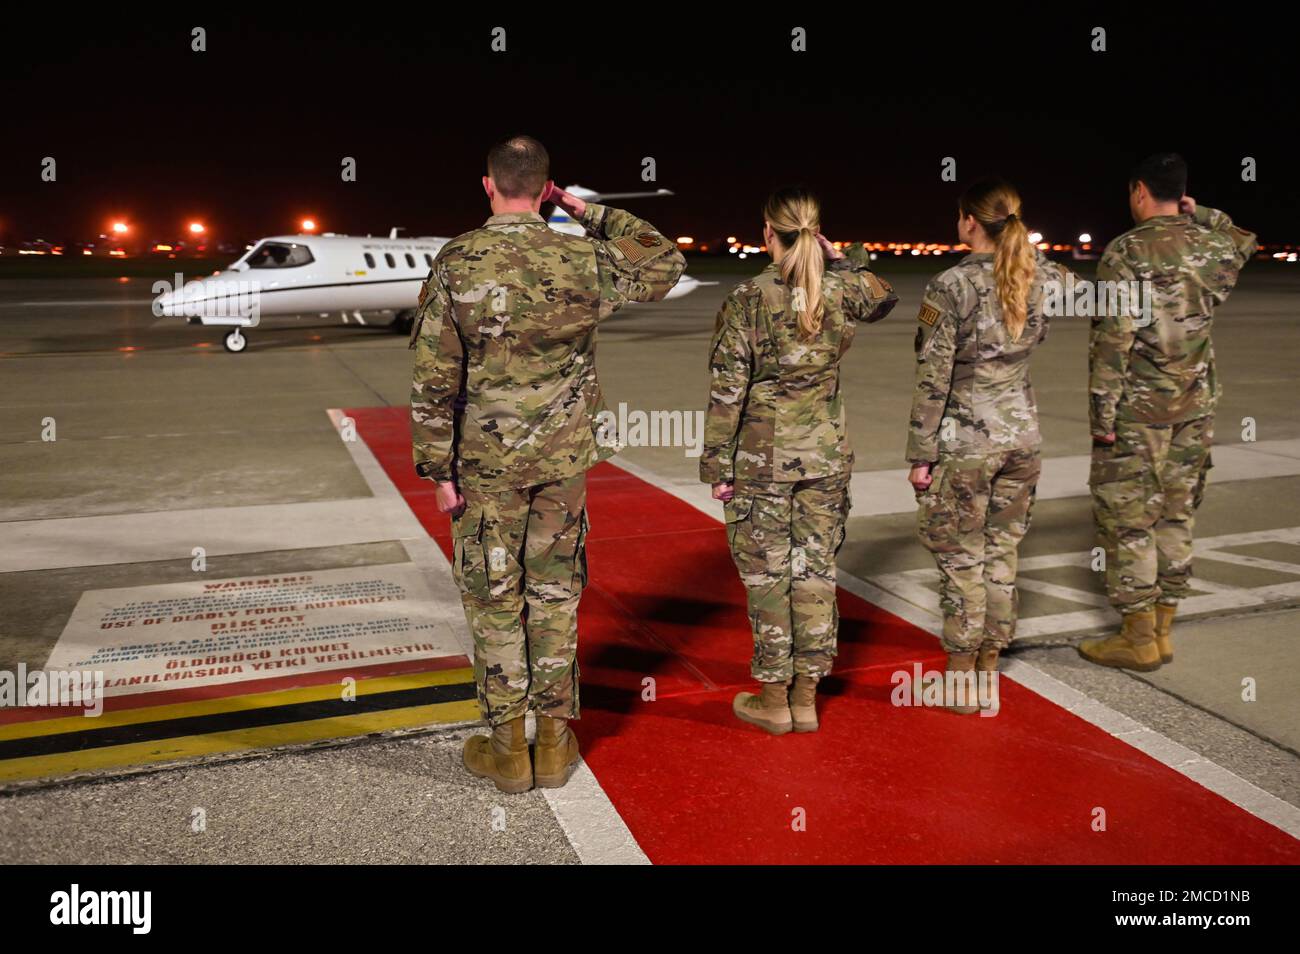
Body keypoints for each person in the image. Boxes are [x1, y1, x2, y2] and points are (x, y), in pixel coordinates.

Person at [410, 135, 685, 793]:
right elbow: (663, 261)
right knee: (556, 593)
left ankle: (510, 752)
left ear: (488, 185)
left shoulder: (458, 259)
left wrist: (437, 469)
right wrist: (584, 210)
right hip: (562, 460)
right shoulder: (580, 255)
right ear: (544, 187)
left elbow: (433, 374)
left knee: (495, 597)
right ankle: (556, 745)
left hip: (484, 465)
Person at [701, 185, 897, 735]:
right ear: (817, 233)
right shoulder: (839, 290)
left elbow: (726, 393)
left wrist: (717, 467)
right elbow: (882, 298)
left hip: (761, 461)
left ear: (768, 233)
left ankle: (773, 699)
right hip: (825, 458)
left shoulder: (748, 299)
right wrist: (842, 259)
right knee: (815, 572)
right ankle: (807, 696)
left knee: (769, 577)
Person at [1079, 153, 1256, 671]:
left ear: (1138, 191)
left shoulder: (1126, 251)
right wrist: (1198, 214)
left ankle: (1137, 636)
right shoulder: (1212, 244)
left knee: (1128, 517)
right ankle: (1163, 629)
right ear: (1180, 192)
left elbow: (1113, 339)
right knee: (1177, 511)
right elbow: (1244, 238)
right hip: (1195, 406)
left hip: (1139, 408)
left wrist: (1102, 416)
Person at [907, 177, 1069, 713]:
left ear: (969, 222)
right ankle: (988, 666)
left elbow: (933, 376)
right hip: (1022, 436)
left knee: (960, 559)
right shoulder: (1041, 274)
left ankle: (960, 680)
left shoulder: (950, 285)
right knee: (1002, 552)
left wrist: (921, 454)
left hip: (967, 440)